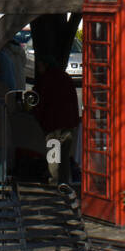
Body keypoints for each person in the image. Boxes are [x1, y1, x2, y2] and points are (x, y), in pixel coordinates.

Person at [32, 52, 80, 184]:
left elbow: (40, 103)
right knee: (64, 157)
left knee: (53, 156)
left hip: (52, 124)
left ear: (45, 65)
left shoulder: (45, 80)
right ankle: (65, 183)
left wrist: (37, 117)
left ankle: (54, 182)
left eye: (40, 65)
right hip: (68, 123)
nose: (39, 68)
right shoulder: (65, 77)